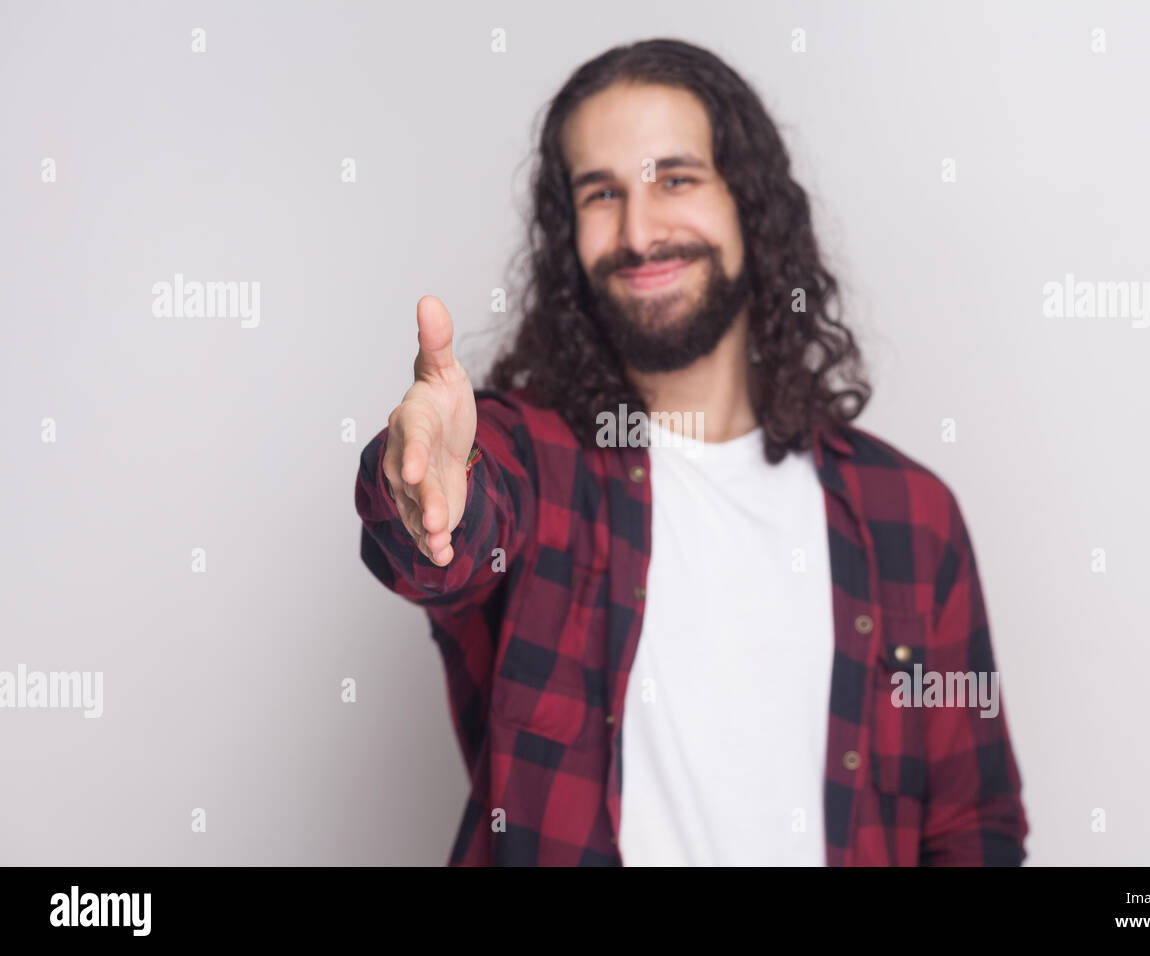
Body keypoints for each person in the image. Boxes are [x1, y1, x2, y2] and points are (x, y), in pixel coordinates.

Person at [353, 38, 1028, 866]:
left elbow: (974, 825)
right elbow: (443, 547)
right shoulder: (537, 460)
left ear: (749, 202)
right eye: (602, 194)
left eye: (675, 178)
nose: (639, 232)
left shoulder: (911, 516)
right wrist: (422, 486)